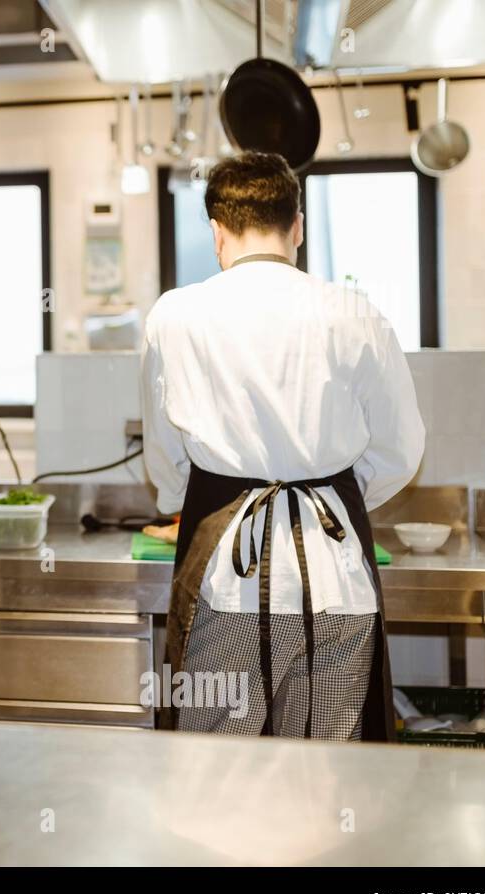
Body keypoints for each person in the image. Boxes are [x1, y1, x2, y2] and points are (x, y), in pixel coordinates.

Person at [140, 151, 425, 741]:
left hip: (226, 585)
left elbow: (166, 461)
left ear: (217, 232)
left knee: (216, 765)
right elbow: (401, 448)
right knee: (329, 773)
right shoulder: (354, 311)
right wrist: (332, 497)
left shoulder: (176, 315)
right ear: (297, 226)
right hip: (338, 584)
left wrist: (182, 493)